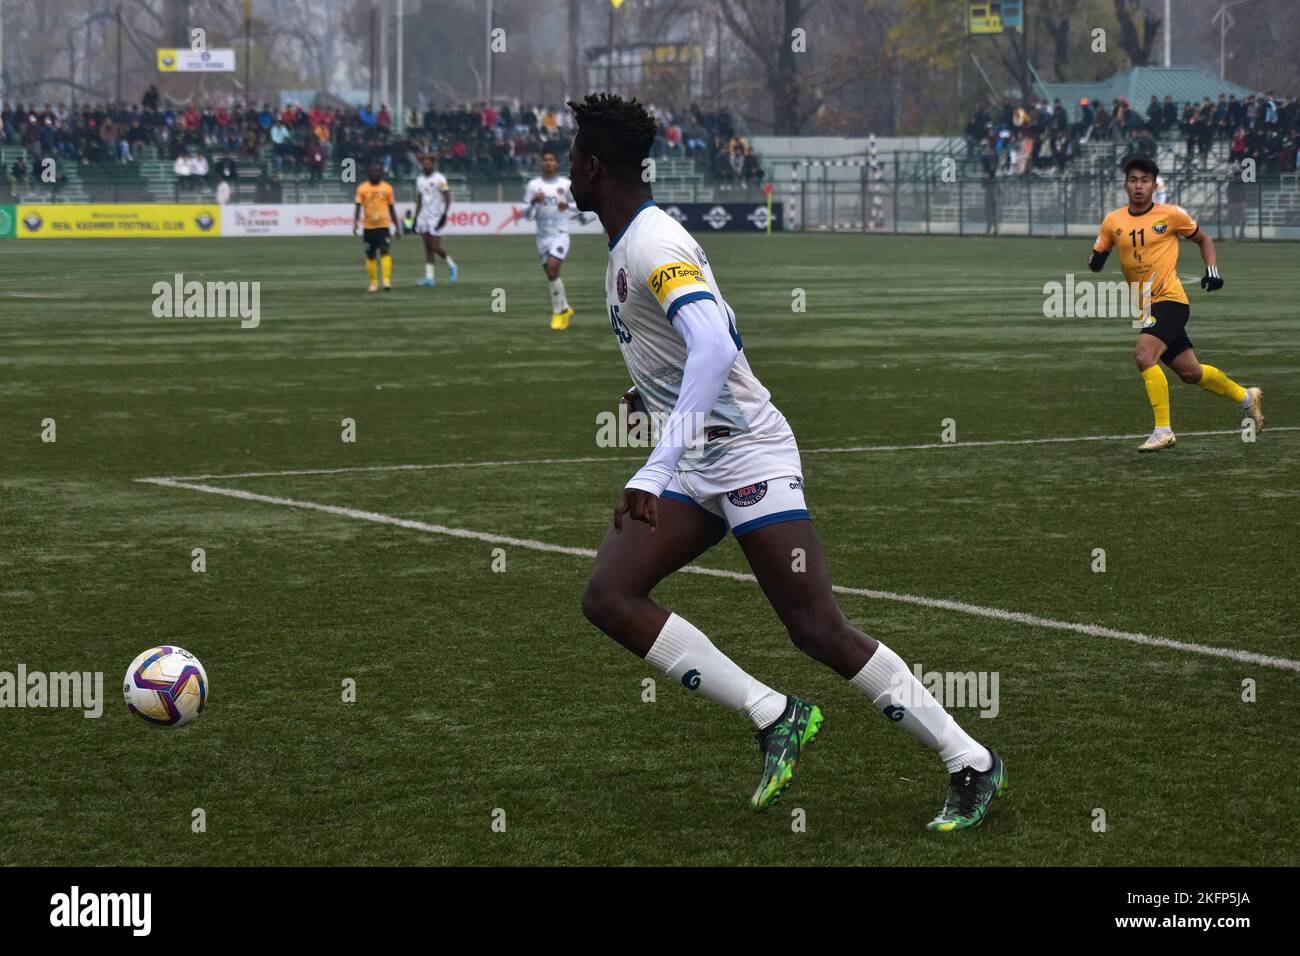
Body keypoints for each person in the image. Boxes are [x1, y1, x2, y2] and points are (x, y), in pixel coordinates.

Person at [568, 92, 1006, 830]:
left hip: (747, 454)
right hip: (700, 461)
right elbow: (696, 351)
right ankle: (774, 714)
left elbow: (715, 347)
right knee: (610, 595)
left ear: (593, 166)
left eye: (572, 157)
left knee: (816, 628)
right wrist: (653, 392)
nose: (563, 170)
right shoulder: (628, 244)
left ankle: (971, 759)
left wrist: (652, 466)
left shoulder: (651, 242)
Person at [1089, 157, 1263, 452]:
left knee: (1145, 355)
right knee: (1191, 373)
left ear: (1155, 185)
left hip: (1170, 300)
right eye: (1133, 180)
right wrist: (1097, 258)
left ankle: (1163, 431)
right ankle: (1248, 398)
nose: (1139, 186)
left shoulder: (1171, 215)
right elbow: (1096, 259)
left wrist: (1212, 269)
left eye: (1145, 180)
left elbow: (1204, 239)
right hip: (1146, 306)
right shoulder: (1113, 221)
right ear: (1126, 184)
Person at [523, 149, 584, 329]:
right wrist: (533, 202)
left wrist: (569, 205)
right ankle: (565, 308)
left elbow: (580, 205)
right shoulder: (533, 186)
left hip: (560, 235)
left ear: (557, 164)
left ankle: (558, 312)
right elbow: (526, 214)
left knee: (552, 268)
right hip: (542, 238)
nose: (548, 162)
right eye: (545, 160)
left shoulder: (566, 185)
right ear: (541, 163)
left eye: (551, 159)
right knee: (552, 274)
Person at [352, 162, 401, 293]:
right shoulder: (362, 188)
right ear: (369, 173)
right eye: (373, 171)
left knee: (385, 251)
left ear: (381, 173)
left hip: (383, 226)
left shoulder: (388, 188)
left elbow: (391, 208)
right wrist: (355, 223)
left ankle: (386, 281)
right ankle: (373, 283)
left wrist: (397, 226)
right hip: (368, 228)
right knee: (370, 255)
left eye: (378, 171)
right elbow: (358, 206)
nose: (375, 173)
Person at [412, 154, 457, 287]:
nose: (426, 166)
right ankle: (429, 278)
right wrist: (415, 218)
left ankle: (452, 266)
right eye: (424, 164)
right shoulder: (419, 180)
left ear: (433, 164)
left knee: (435, 247)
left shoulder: (440, 179)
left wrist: (444, 215)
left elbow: (448, 198)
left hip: (436, 216)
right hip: (424, 217)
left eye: (428, 164)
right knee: (427, 248)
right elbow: (419, 199)